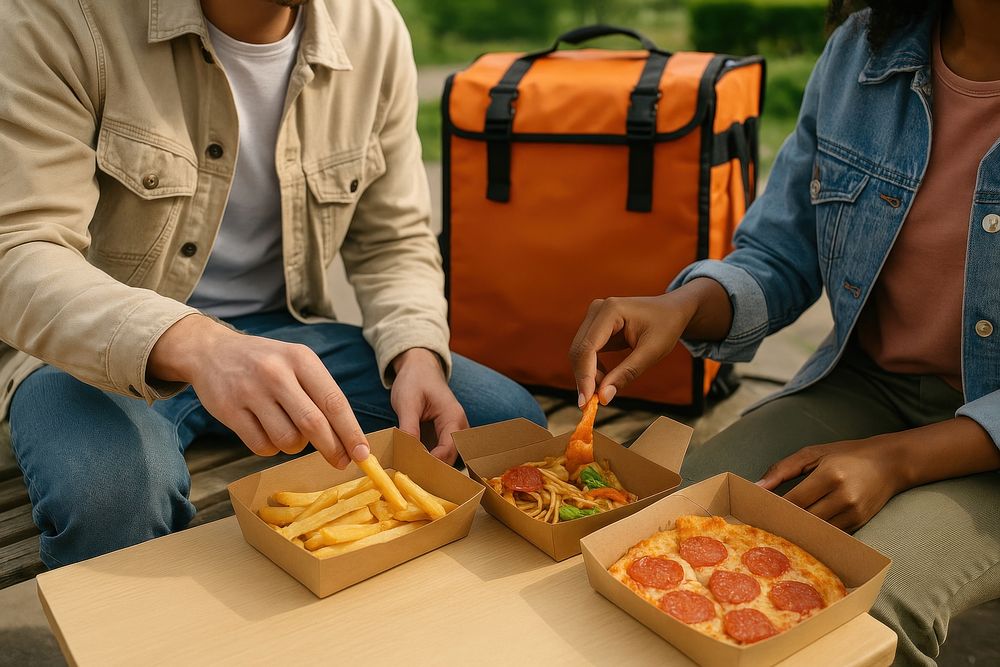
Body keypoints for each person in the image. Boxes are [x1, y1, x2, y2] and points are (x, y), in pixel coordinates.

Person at [0, 0, 545, 568]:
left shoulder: (372, 26)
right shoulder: (59, 16)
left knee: (502, 423)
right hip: (94, 349)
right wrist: (198, 345)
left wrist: (416, 350)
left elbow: (394, 239)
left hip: (282, 335)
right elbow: (17, 248)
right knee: (112, 496)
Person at [570, 1, 999, 663]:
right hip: (866, 387)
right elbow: (780, 253)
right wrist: (683, 305)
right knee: (654, 516)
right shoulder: (861, 51)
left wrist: (898, 459)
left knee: (870, 615)